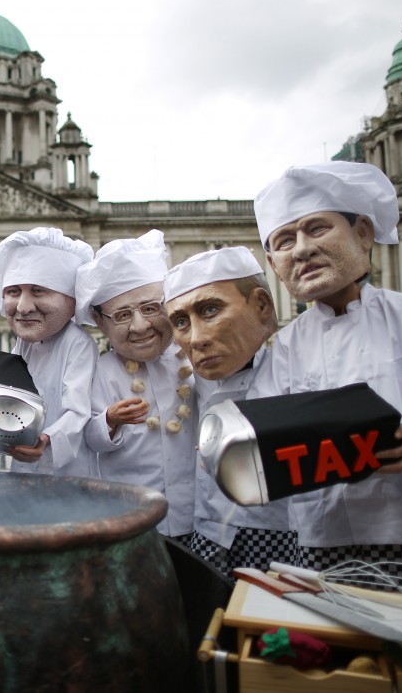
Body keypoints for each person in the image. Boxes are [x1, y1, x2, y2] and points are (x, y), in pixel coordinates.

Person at [251, 162, 402, 595]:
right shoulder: (286, 343)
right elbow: (268, 415)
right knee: (337, 630)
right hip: (320, 530)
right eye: (285, 240)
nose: (302, 249)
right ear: (274, 265)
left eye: (317, 228)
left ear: (363, 233)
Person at [164, 246, 296, 577]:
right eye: (181, 322)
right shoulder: (179, 381)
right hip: (206, 532)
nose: (196, 339)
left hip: (281, 537)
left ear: (262, 306)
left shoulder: (297, 371)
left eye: (210, 310)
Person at [77, 229, 197, 543]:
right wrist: (109, 421)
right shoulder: (101, 370)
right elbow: (89, 439)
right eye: (122, 315)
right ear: (100, 322)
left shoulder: (195, 358)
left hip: (198, 512)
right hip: (132, 516)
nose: (140, 326)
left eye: (150, 308)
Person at [0, 227, 97, 476]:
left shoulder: (78, 343)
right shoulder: (23, 343)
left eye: (38, 290)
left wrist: (48, 439)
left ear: (70, 299)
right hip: (25, 465)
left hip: (69, 472)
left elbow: (78, 410)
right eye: (13, 292)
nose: (23, 307)